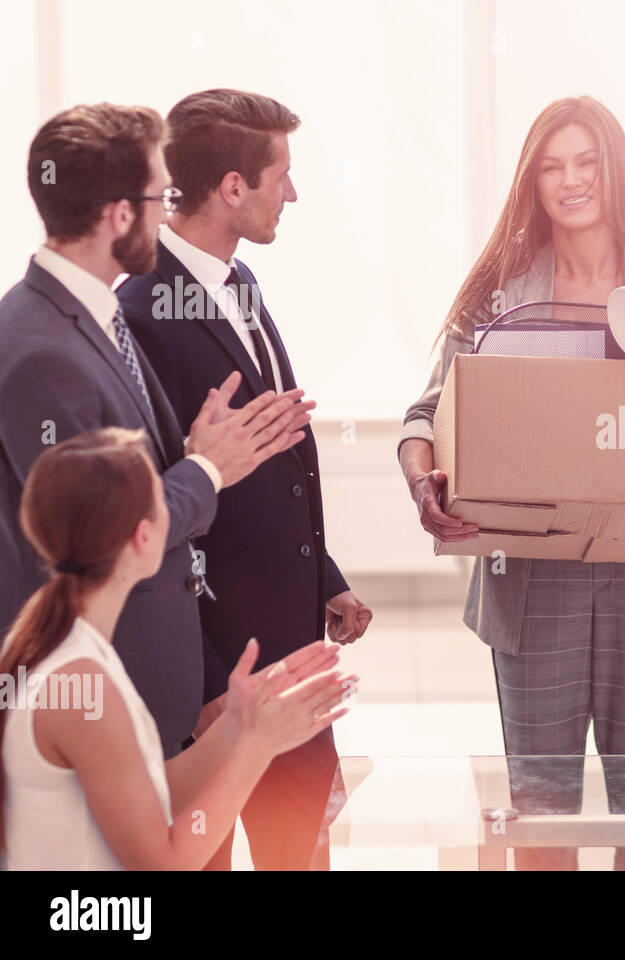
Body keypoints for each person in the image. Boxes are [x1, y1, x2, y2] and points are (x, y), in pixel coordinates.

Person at [398, 95, 625, 869]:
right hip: (532, 577)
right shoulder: (499, 286)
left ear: (615, 170)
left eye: (586, 162)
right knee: (542, 821)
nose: (571, 181)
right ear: (533, 181)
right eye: (552, 166)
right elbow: (427, 413)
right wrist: (427, 488)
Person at [0, 104, 313, 758]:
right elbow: (105, 541)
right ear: (119, 214)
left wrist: (196, 449)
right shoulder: (41, 353)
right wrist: (206, 469)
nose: (167, 212)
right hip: (108, 703)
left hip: (145, 695)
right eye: (156, 196)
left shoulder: (94, 316)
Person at [117, 89, 369, 871]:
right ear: (233, 188)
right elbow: (153, 510)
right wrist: (198, 690)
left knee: (302, 857)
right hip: (217, 688)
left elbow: (269, 465)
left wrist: (321, 578)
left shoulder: (242, 283)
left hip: (287, 659)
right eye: (280, 176)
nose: (291, 194)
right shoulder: (144, 315)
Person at [0, 428, 353, 869]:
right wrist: (258, 748)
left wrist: (238, 725)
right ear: (143, 538)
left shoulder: (73, 647)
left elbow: (152, 792)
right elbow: (165, 863)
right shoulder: (83, 684)